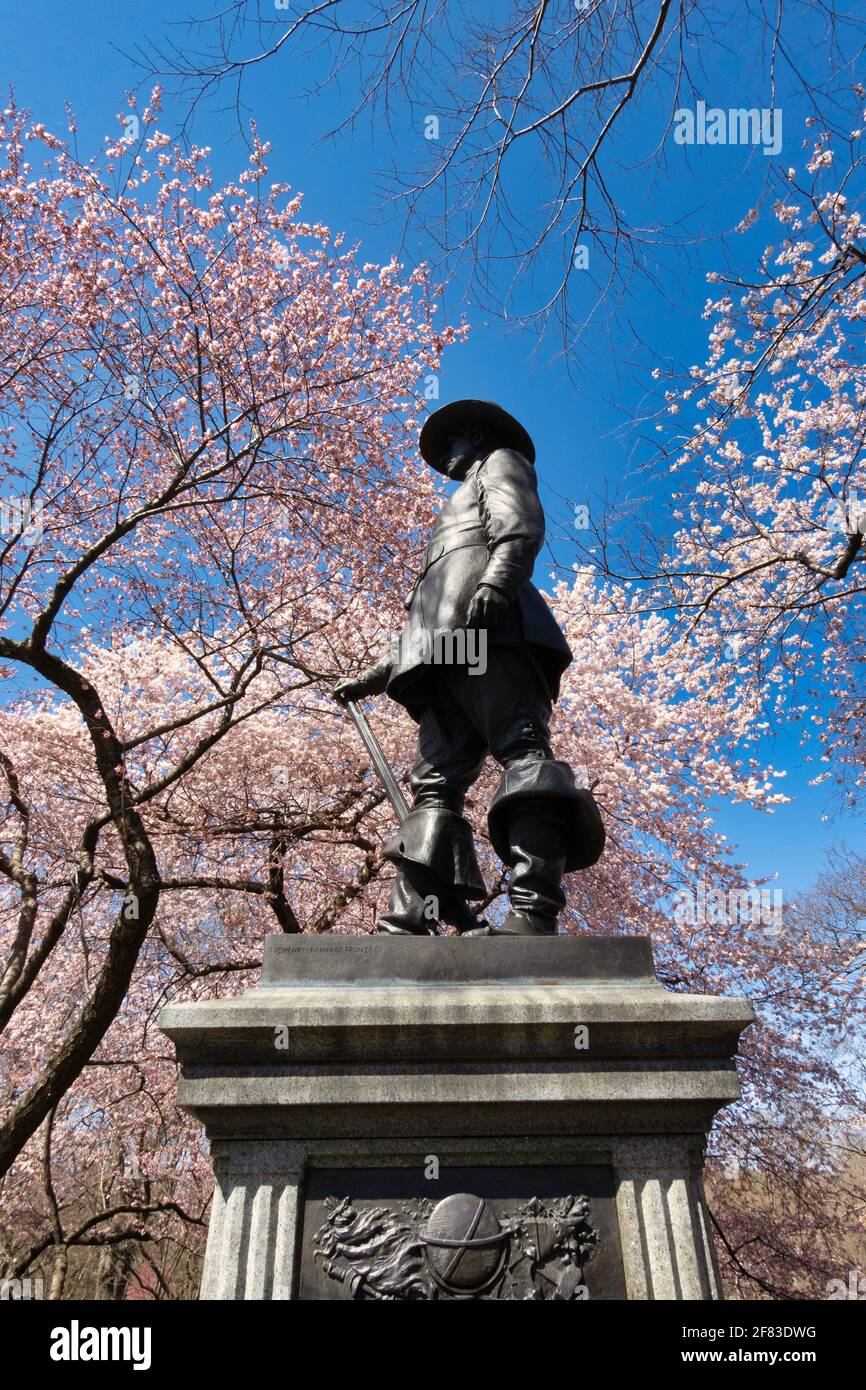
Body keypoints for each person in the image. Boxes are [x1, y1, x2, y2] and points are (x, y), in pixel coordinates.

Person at [334, 399, 604, 935]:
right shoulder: (453, 509)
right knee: (433, 785)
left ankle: (533, 910)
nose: (446, 457)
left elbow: (520, 526)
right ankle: (409, 919)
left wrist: (498, 581)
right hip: (439, 656)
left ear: (474, 435)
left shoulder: (501, 462)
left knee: (521, 751)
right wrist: (378, 670)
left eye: (452, 443)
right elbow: (431, 608)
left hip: (489, 635)